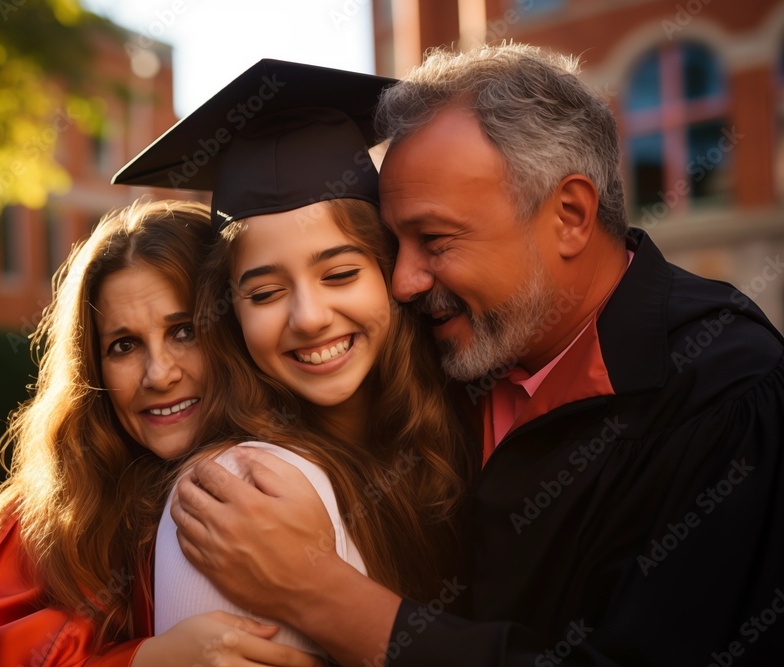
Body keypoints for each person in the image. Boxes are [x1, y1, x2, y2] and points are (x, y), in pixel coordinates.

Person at [168, 44, 784, 666]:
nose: (402, 283)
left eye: (433, 239)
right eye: (395, 244)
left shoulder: (724, 397)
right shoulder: (447, 360)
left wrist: (319, 592)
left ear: (569, 215)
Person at [111, 59, 476, 656]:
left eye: (340, 273)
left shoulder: (461, 429)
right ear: (228, 315)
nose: (308, 316)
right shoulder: (239, 494)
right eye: (264, 293)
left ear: (394, 273)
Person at [0, 199, 323, 667]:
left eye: (184, 331)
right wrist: (146, 660)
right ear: (92, 368)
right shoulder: (52, 509)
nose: (158, 375)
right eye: (124, 345)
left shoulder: (303, 467)